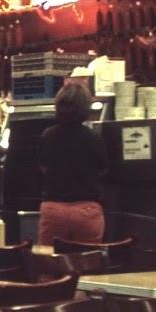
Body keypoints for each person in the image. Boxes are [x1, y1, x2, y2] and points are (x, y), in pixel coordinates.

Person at [37, 81, 108, 244]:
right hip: (87, 210)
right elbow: (102, 170)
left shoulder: (48, 135)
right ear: (86, 107)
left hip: (53, 209)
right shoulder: (94, 137)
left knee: (49, 262)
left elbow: (44, 168)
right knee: (87, 262)